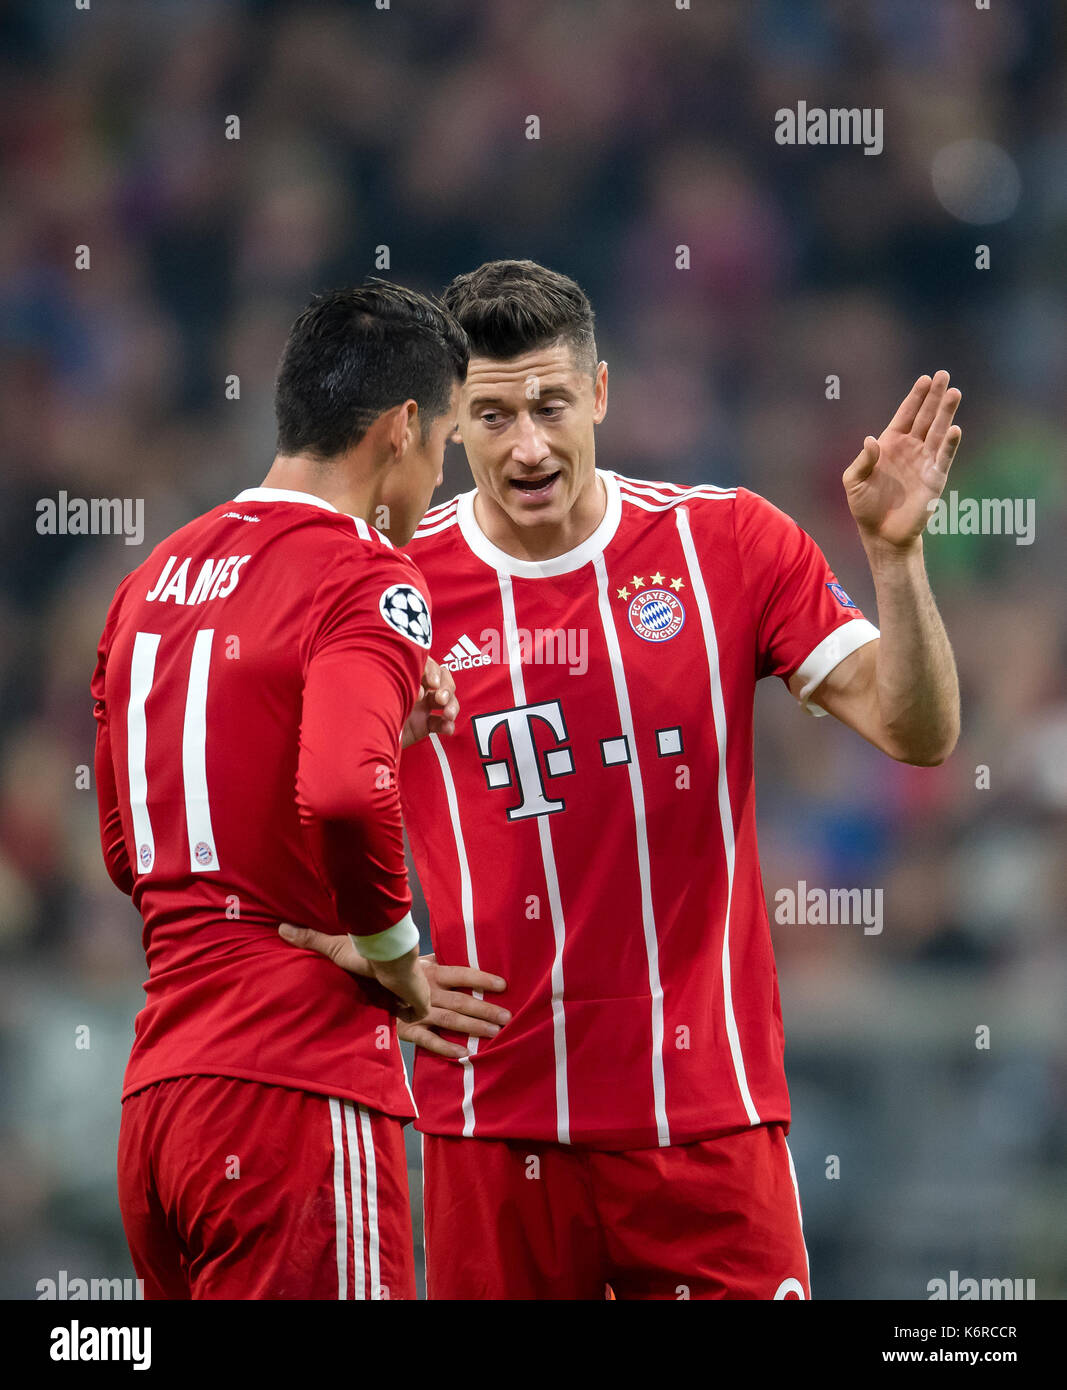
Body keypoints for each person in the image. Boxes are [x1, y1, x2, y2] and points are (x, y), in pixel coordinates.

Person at [285, 259, 962, 1300]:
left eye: (552, 404)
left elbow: (915, 731)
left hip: (705, 1119)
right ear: (449, 425)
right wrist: (357, 952)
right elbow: (281, 789)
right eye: (494, 413)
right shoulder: (388, 581)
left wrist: (894, 558)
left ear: (599, 394)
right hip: (492, 1127)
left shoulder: (724, 542)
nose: (528, 443)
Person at [92, 281, 495, 1300]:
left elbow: (130, 850)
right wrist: (390, 953)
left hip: (161, 1107)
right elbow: (347, 798)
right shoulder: (365, 578)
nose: (440, 473)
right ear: (403, 426)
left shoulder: (151, 582)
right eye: (446, 440)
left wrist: (370, 727)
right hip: (294, 1091)